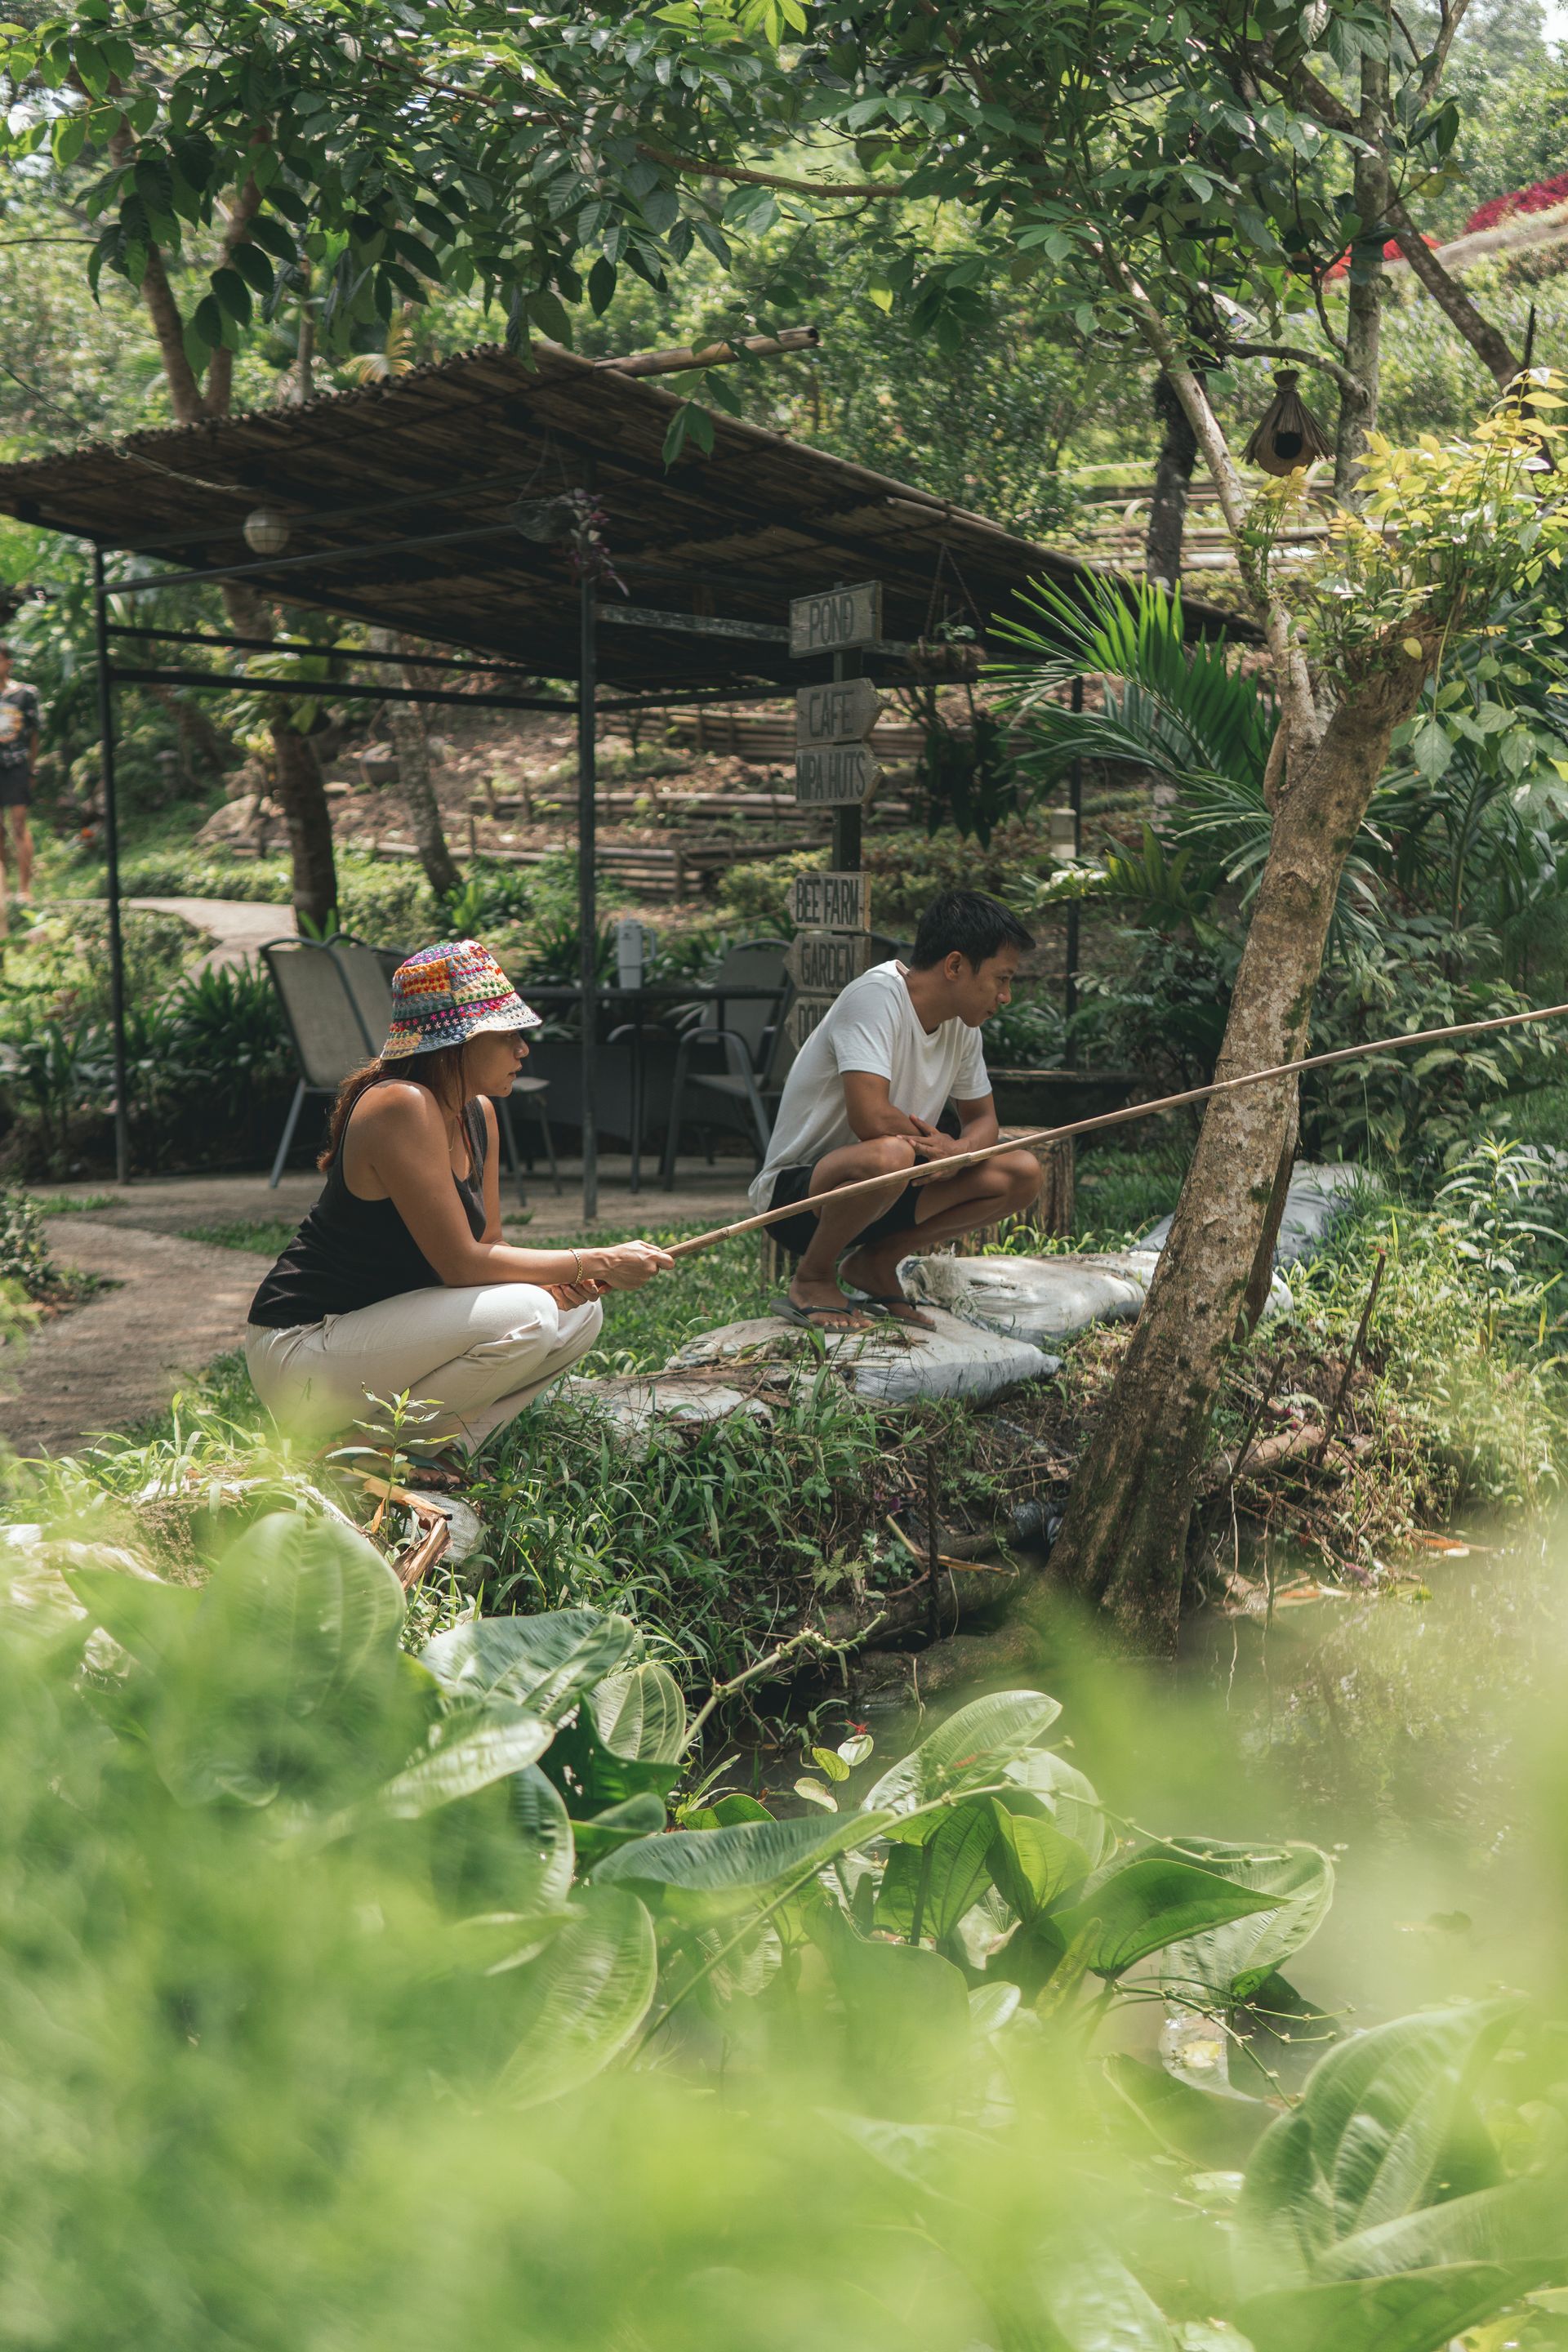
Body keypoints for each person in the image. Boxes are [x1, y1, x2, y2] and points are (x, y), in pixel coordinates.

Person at [246, 938, 672, 1467]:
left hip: (370, 1338)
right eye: (508, 1033)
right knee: (532, 1312)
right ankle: (363, 1449)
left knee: (579, 1316)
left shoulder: (478, 1115)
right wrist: (599, 1259)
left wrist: (566, 1278)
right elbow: (462, 1266)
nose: (524, 1049)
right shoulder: (399, 1105)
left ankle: (432, 1451)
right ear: (457, 1041)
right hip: (302, 1347)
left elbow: (487, 1246)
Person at [751, 889, 1044, 1331]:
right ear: (955, 965)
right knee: (891, 1154)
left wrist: (960, 1150)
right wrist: (940, 1152)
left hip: (892, 1188)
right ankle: (812, 1277)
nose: (1005, 996)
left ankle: (876, 1263)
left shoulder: (963, 1026)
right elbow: (869, 1118)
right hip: (800, 1201)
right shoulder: (876, 995)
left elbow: (984, 1121)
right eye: (1002, 979)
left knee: (1021, 1172)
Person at [0, 641, 39, 914]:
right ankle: (3, 891)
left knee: (18, 824)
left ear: (8, 662)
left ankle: (24, 889)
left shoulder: (26, 694)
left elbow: (35, 735)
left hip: (16, 766)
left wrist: (32, 768)